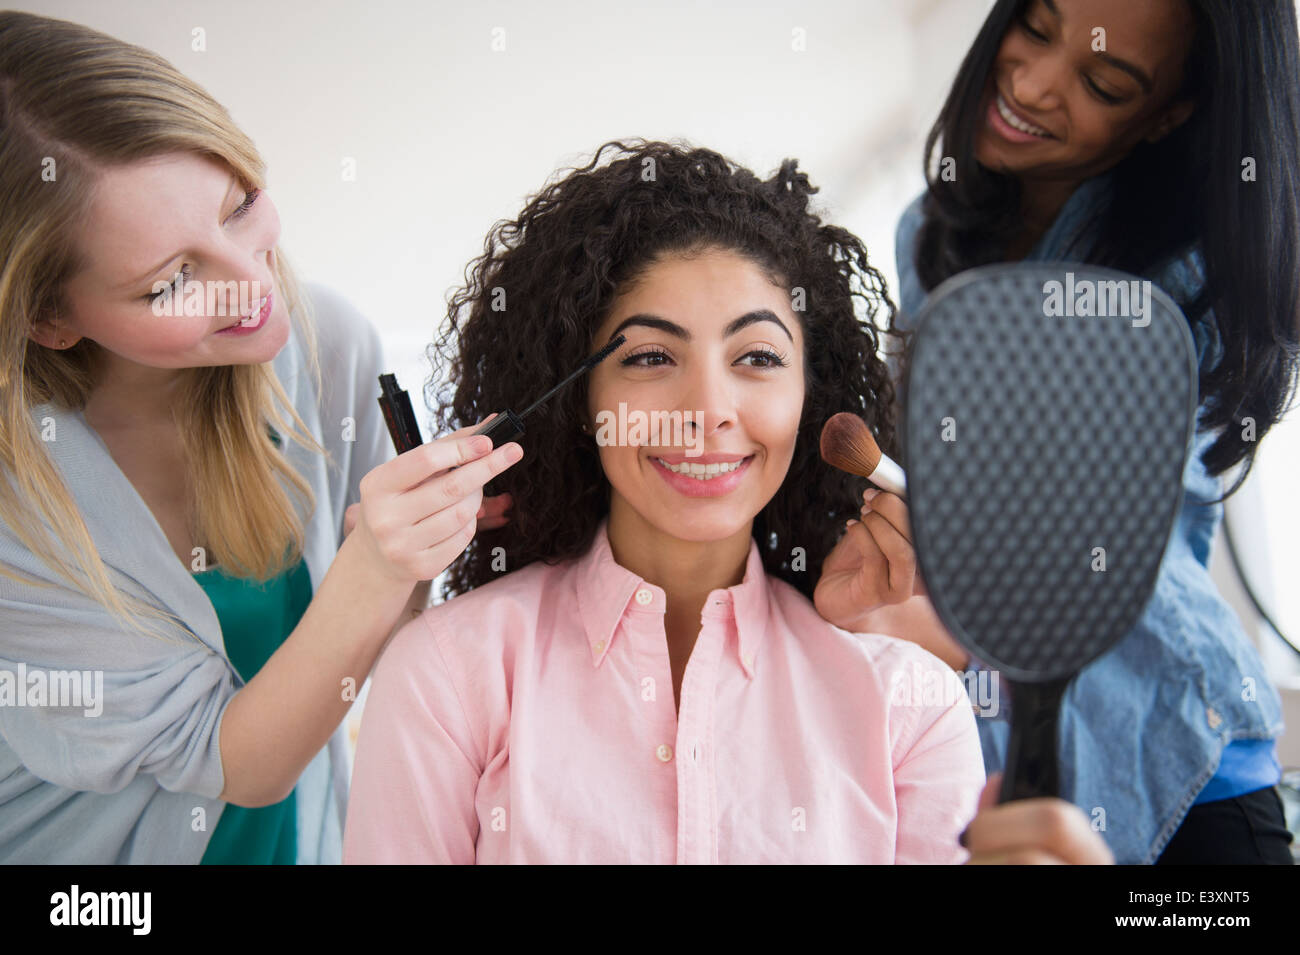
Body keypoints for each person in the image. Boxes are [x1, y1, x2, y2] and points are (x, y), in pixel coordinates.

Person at [342, 140, 1114, 864]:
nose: (707, 408)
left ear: (811, 399)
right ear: (580, 399)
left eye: (757, 357)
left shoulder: (906, 702)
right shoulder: (448, 673)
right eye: (649, 356)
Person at [0, 11, 518, 863]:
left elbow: (356, 664)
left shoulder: (328, 346)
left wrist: (414, 559)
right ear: (52, 320)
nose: (254, 284)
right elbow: (239, 761)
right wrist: (377, 569)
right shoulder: (22, 507)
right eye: (172, 282)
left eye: (239, 205)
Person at [816, 0, 1298, 864]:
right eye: (1035, 29)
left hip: (1183, 753)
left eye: (1104, 81)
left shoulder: (1182, 284)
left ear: (1171, 112)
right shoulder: (928, 230)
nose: (1033, 85)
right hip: (1009, 755)